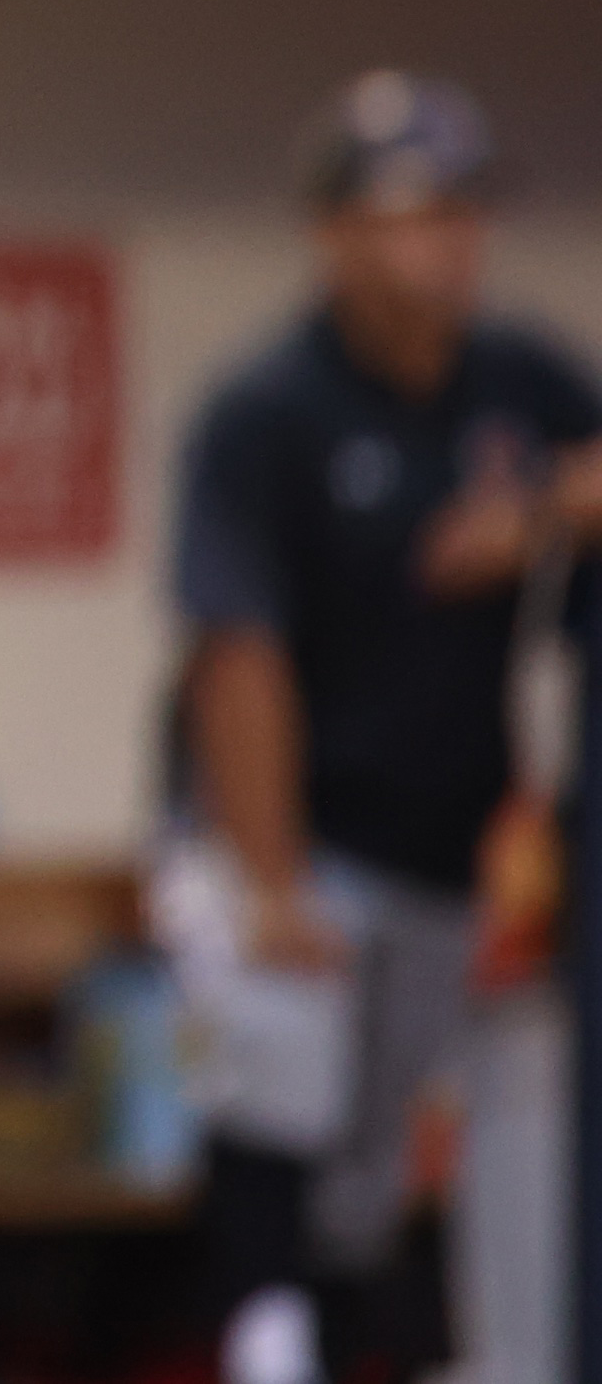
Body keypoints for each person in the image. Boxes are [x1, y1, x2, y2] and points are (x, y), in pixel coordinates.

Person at [161, 73, 590, 1384]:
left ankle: (502, 1352)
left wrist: (535, 522)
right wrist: (275, 877)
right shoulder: (269, 407)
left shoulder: (524, 374)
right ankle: (265, 1337)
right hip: (284, 815)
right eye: (409, 213)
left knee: (389, 1155)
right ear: (334, 233)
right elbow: (238, 652)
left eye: (462, 210)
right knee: (280, 1048)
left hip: (457, 831)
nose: (446, 240)